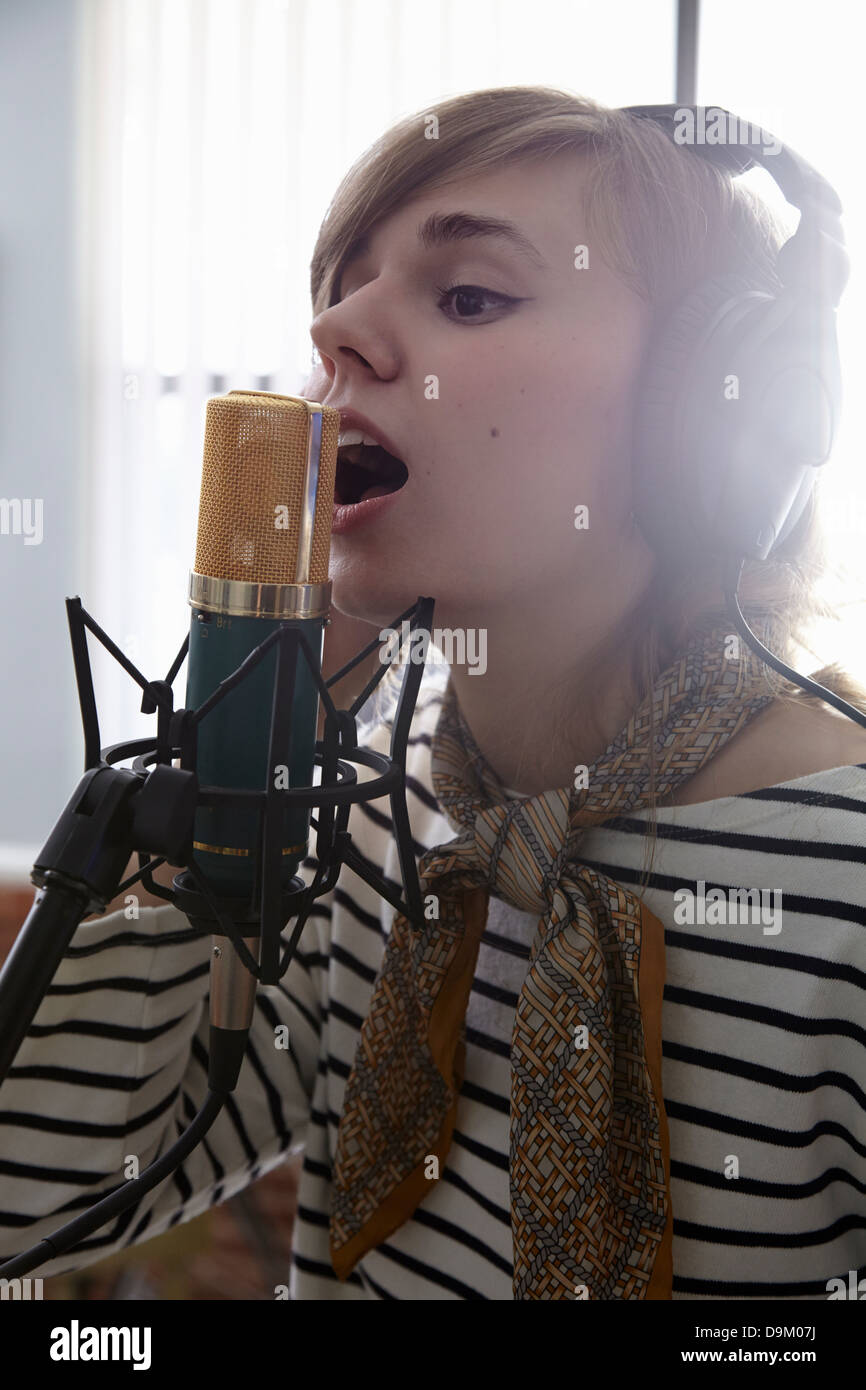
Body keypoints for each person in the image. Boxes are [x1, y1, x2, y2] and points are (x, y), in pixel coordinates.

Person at [1, 85, 865, 1300]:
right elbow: (33, 1185)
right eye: (338, 289)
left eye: (468, 295)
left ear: (711, 408)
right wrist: (250, 756)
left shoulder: (840, 894)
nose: (339, 328)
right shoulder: (373, 819)